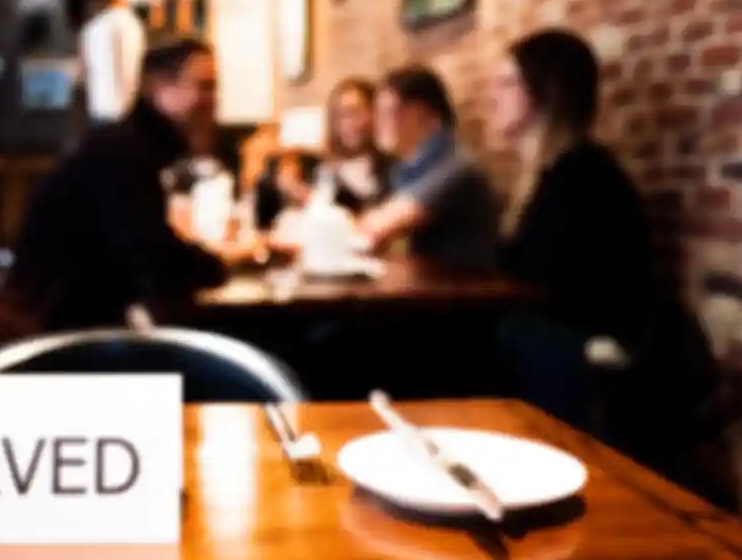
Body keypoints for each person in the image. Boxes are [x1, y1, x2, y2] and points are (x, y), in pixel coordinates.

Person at [492, 29, 715, 477]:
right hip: (565, 346)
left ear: (543, 91)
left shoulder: (583, 179)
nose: (492, 95)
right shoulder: (550, 175)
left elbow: (561, 293)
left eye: (506, 83)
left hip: (596, 360)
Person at [0, 38, 227, 349]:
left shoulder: (126, 146)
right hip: (44, 344)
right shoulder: (123, 152)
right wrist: (215, 267)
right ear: (160, 87)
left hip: (55, 332)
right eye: (204, 86)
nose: (212, 100)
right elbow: (151, 257)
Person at [359, 67, 499, 269]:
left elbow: (375, 228)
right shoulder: (407, 169)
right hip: (428, 290)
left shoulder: (455, 168)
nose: (378, 123)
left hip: (461, 294)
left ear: (427, 114)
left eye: (389, 111)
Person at [254, 78, 394, 229]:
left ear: (376, 113)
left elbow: (364, 222)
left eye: (355, 112)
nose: (348, 123)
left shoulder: (392, 169)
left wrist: (304, 195)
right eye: (340, 115)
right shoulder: (323, 169)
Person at [78, 0, 147, 123]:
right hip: (131, 111)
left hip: (104, 112)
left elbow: (85, 74)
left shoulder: (96, 26)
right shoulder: (132, 23)